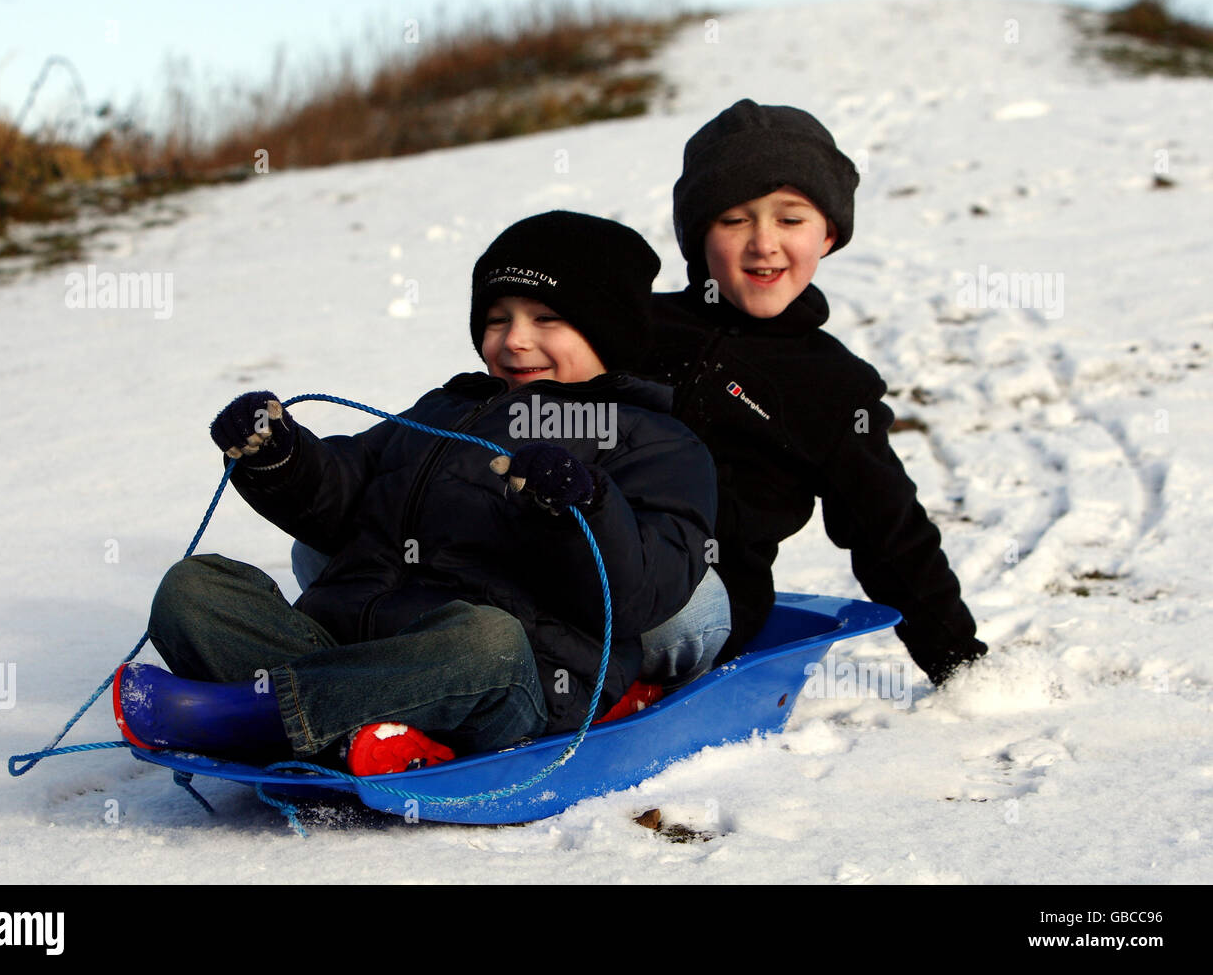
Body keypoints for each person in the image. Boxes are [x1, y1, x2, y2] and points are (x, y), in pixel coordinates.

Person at [113, 211, 719, 776]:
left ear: (607, 331)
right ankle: (362, 729)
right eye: (497, 319)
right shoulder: (448, 409)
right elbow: (344, 495)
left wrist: (581, 505)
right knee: (194, 589)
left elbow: (640, 593)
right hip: (356, 644)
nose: (514, 340)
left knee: (484, 639)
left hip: (514, 678)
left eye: (545, 319)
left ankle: (253, 717)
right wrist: (281, 458)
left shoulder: (658, 443)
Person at [639, 99, 987, 686]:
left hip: (700, 608)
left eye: (790, 219)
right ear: (698, 236)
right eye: (735, 220)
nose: (763, 243)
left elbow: (890, 533)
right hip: (586, 561)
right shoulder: (636, 329)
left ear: (828, 234)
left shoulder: (832, 386)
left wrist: (957, 661)